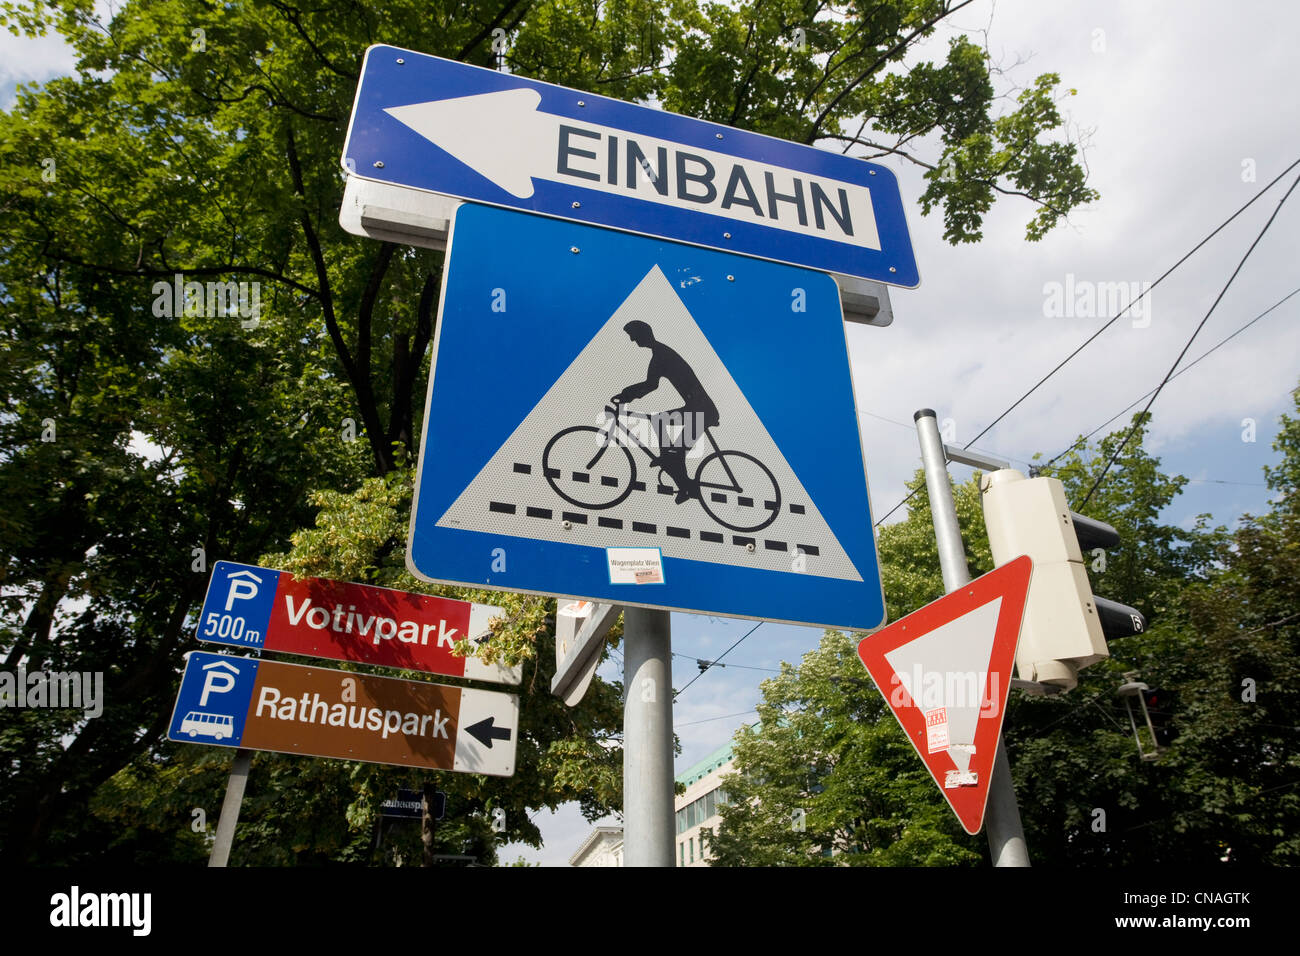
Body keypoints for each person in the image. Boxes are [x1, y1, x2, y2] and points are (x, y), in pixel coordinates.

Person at [611, 320, 720, 504]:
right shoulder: (660, 352)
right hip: (696, 408)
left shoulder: (661, 355)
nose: (633, 341)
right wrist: (627, 395)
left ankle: (682, 479)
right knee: (661, 425)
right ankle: (678, 475)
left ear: (644, 335)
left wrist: (626, 394)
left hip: (702, 412)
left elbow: (650, 385)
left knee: (673, 451)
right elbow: (651, 384)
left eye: (634, 337)